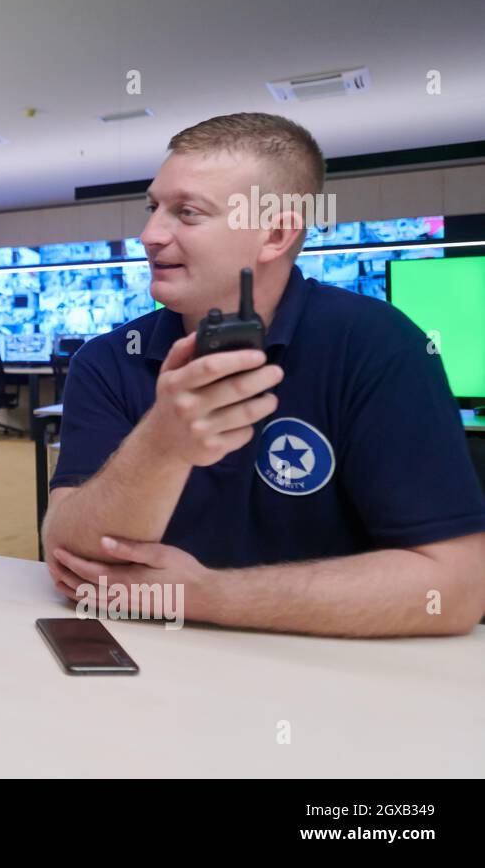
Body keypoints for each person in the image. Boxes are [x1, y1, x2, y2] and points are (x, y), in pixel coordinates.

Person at [42, 112, 485, 636]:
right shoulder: (109, 360)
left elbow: (455, 589)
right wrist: (163, 443)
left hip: (337, 679)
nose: (149, 235)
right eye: (153, 207)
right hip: (154, 670)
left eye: (186, 212)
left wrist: (205, 595)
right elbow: (70, 557)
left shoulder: (379, 347)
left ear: (274, 234)